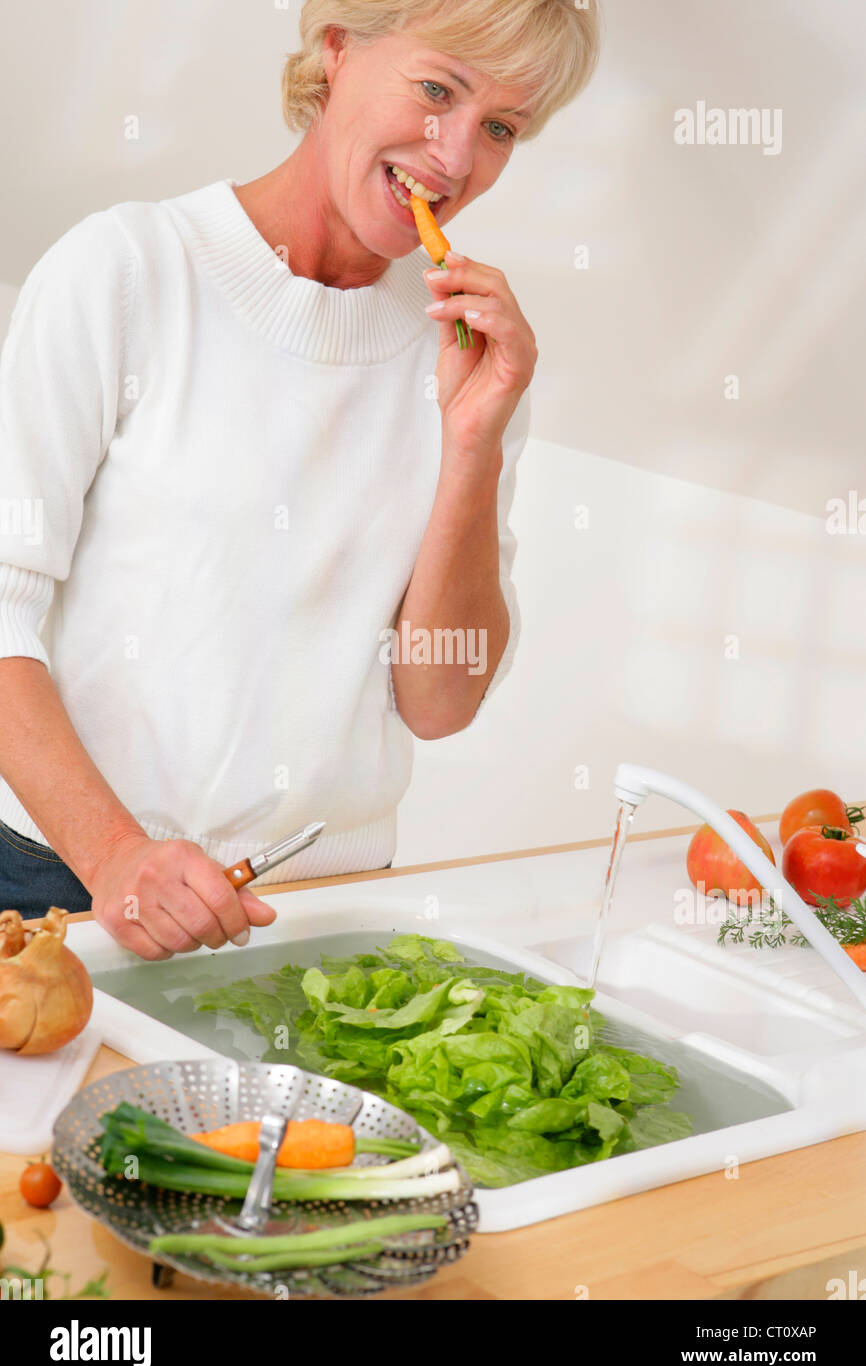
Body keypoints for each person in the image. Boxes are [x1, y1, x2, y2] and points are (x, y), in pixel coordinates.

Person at [0, 0, 601, 959]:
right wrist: (117, 856)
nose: (453, 158)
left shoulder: (466, 356)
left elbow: (440, 705)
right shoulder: (126, 270)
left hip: (329, 906)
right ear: (337, 50)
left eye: (499, 128)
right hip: (66, 885)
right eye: (437, 89)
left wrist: (472, 443)